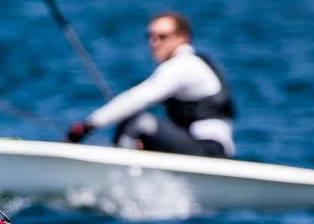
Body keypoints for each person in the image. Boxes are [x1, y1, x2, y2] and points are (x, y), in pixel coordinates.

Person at [65, 11, 236, 157]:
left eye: (162, 37)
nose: (154, 43)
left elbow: (137, 99)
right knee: (142, 134)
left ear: (183, 38)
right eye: (150, 37)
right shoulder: (189, 63)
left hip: (209, 151)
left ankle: (116, 175)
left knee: (137, 122)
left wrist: (88, 125)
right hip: (194, 146)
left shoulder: (184, 65)